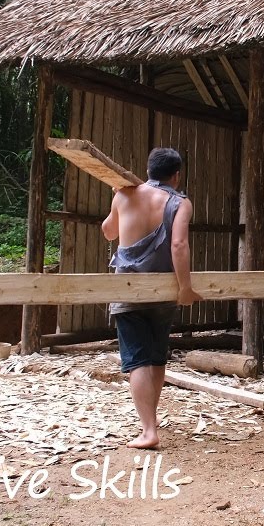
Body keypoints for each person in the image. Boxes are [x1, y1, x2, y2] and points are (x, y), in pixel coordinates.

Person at [101, 147, 203, 449]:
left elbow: (108, 232)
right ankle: (151, 423)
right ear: (176, 175)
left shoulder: (124, 194)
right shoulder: (180, 202)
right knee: (156, 358)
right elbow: (179, 245)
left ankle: (148, 430)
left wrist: (116, 199)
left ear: (148, 170)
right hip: (163, 291)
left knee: (138, 361)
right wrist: (185, 287)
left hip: (127, 290)